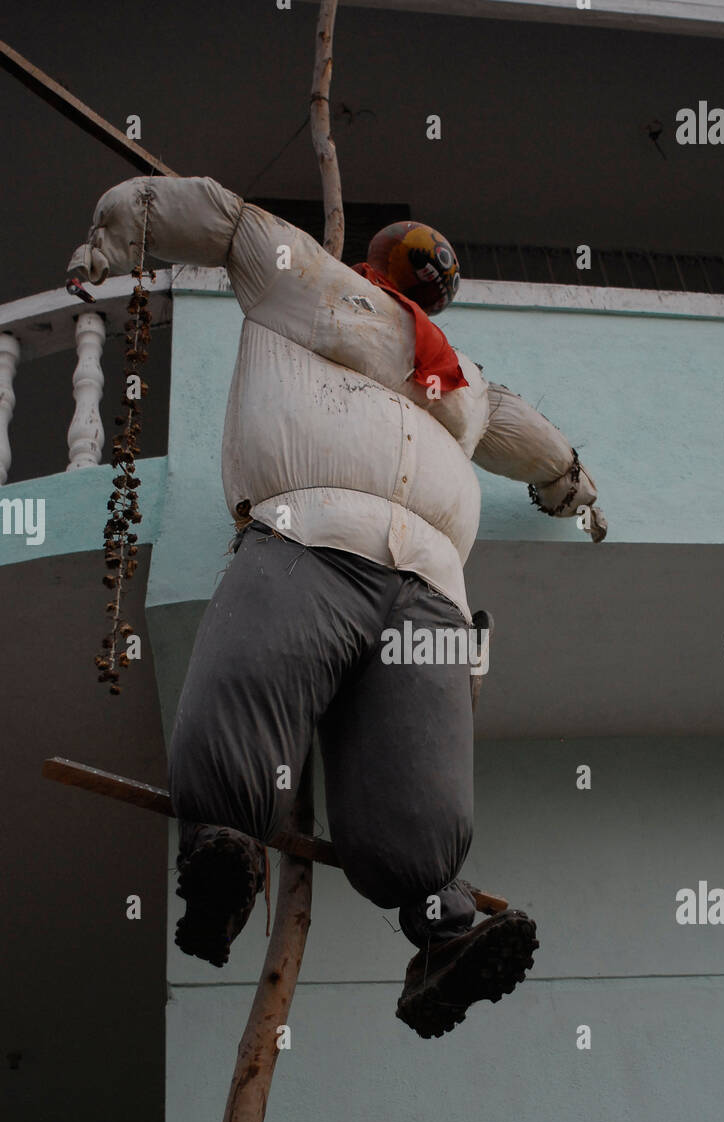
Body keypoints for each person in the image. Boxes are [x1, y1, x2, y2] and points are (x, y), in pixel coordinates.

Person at [67, 178, 606, 1038]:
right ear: (385, 256)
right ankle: (222, 862)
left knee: (422, 777)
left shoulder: (459, 383)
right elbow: (222, 218)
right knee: (249, 683)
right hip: (307, 529)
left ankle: (441, 932)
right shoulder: (307, 277)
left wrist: (568, 480)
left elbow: (513, 427)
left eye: (445, 266)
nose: (435, 270)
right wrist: (119, 228)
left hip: (431, 587)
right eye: (425, 256)